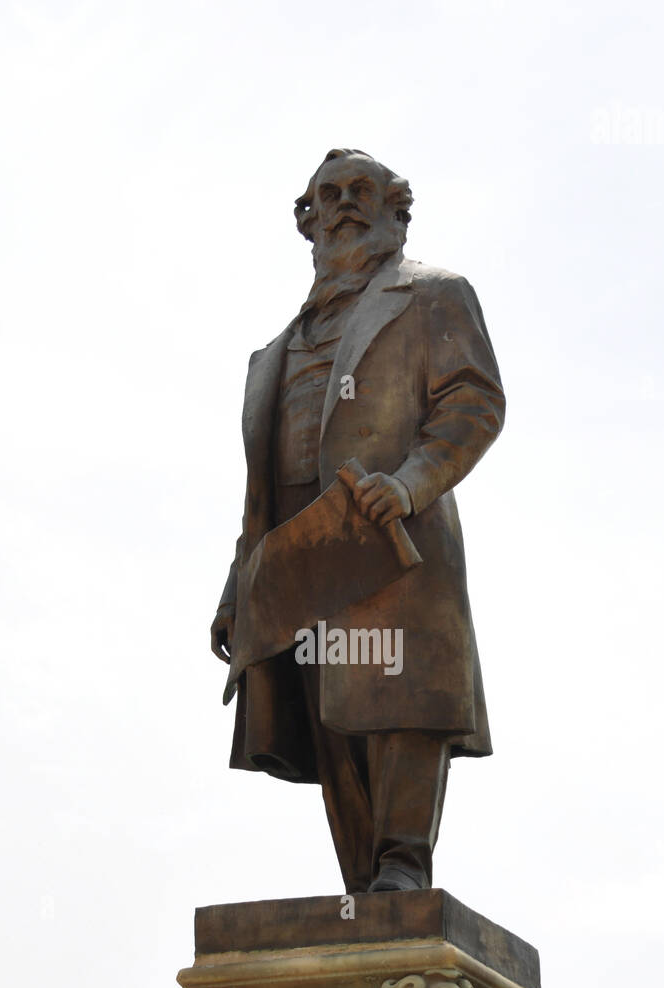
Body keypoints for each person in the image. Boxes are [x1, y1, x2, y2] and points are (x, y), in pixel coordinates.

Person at [210, 148, 505, 893]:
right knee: (328, 713)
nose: (344, 204)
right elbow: (260, 489)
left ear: (395, 208)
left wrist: (409, 485)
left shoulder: (432, 295)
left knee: (397, 698)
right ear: (305, 220)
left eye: (362, 191)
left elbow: (472, 402)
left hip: (388, 534)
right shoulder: (275, 351)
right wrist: (236, 589)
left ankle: (402, 866)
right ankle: (365, 901)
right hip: (300, 549)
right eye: (328, 195)